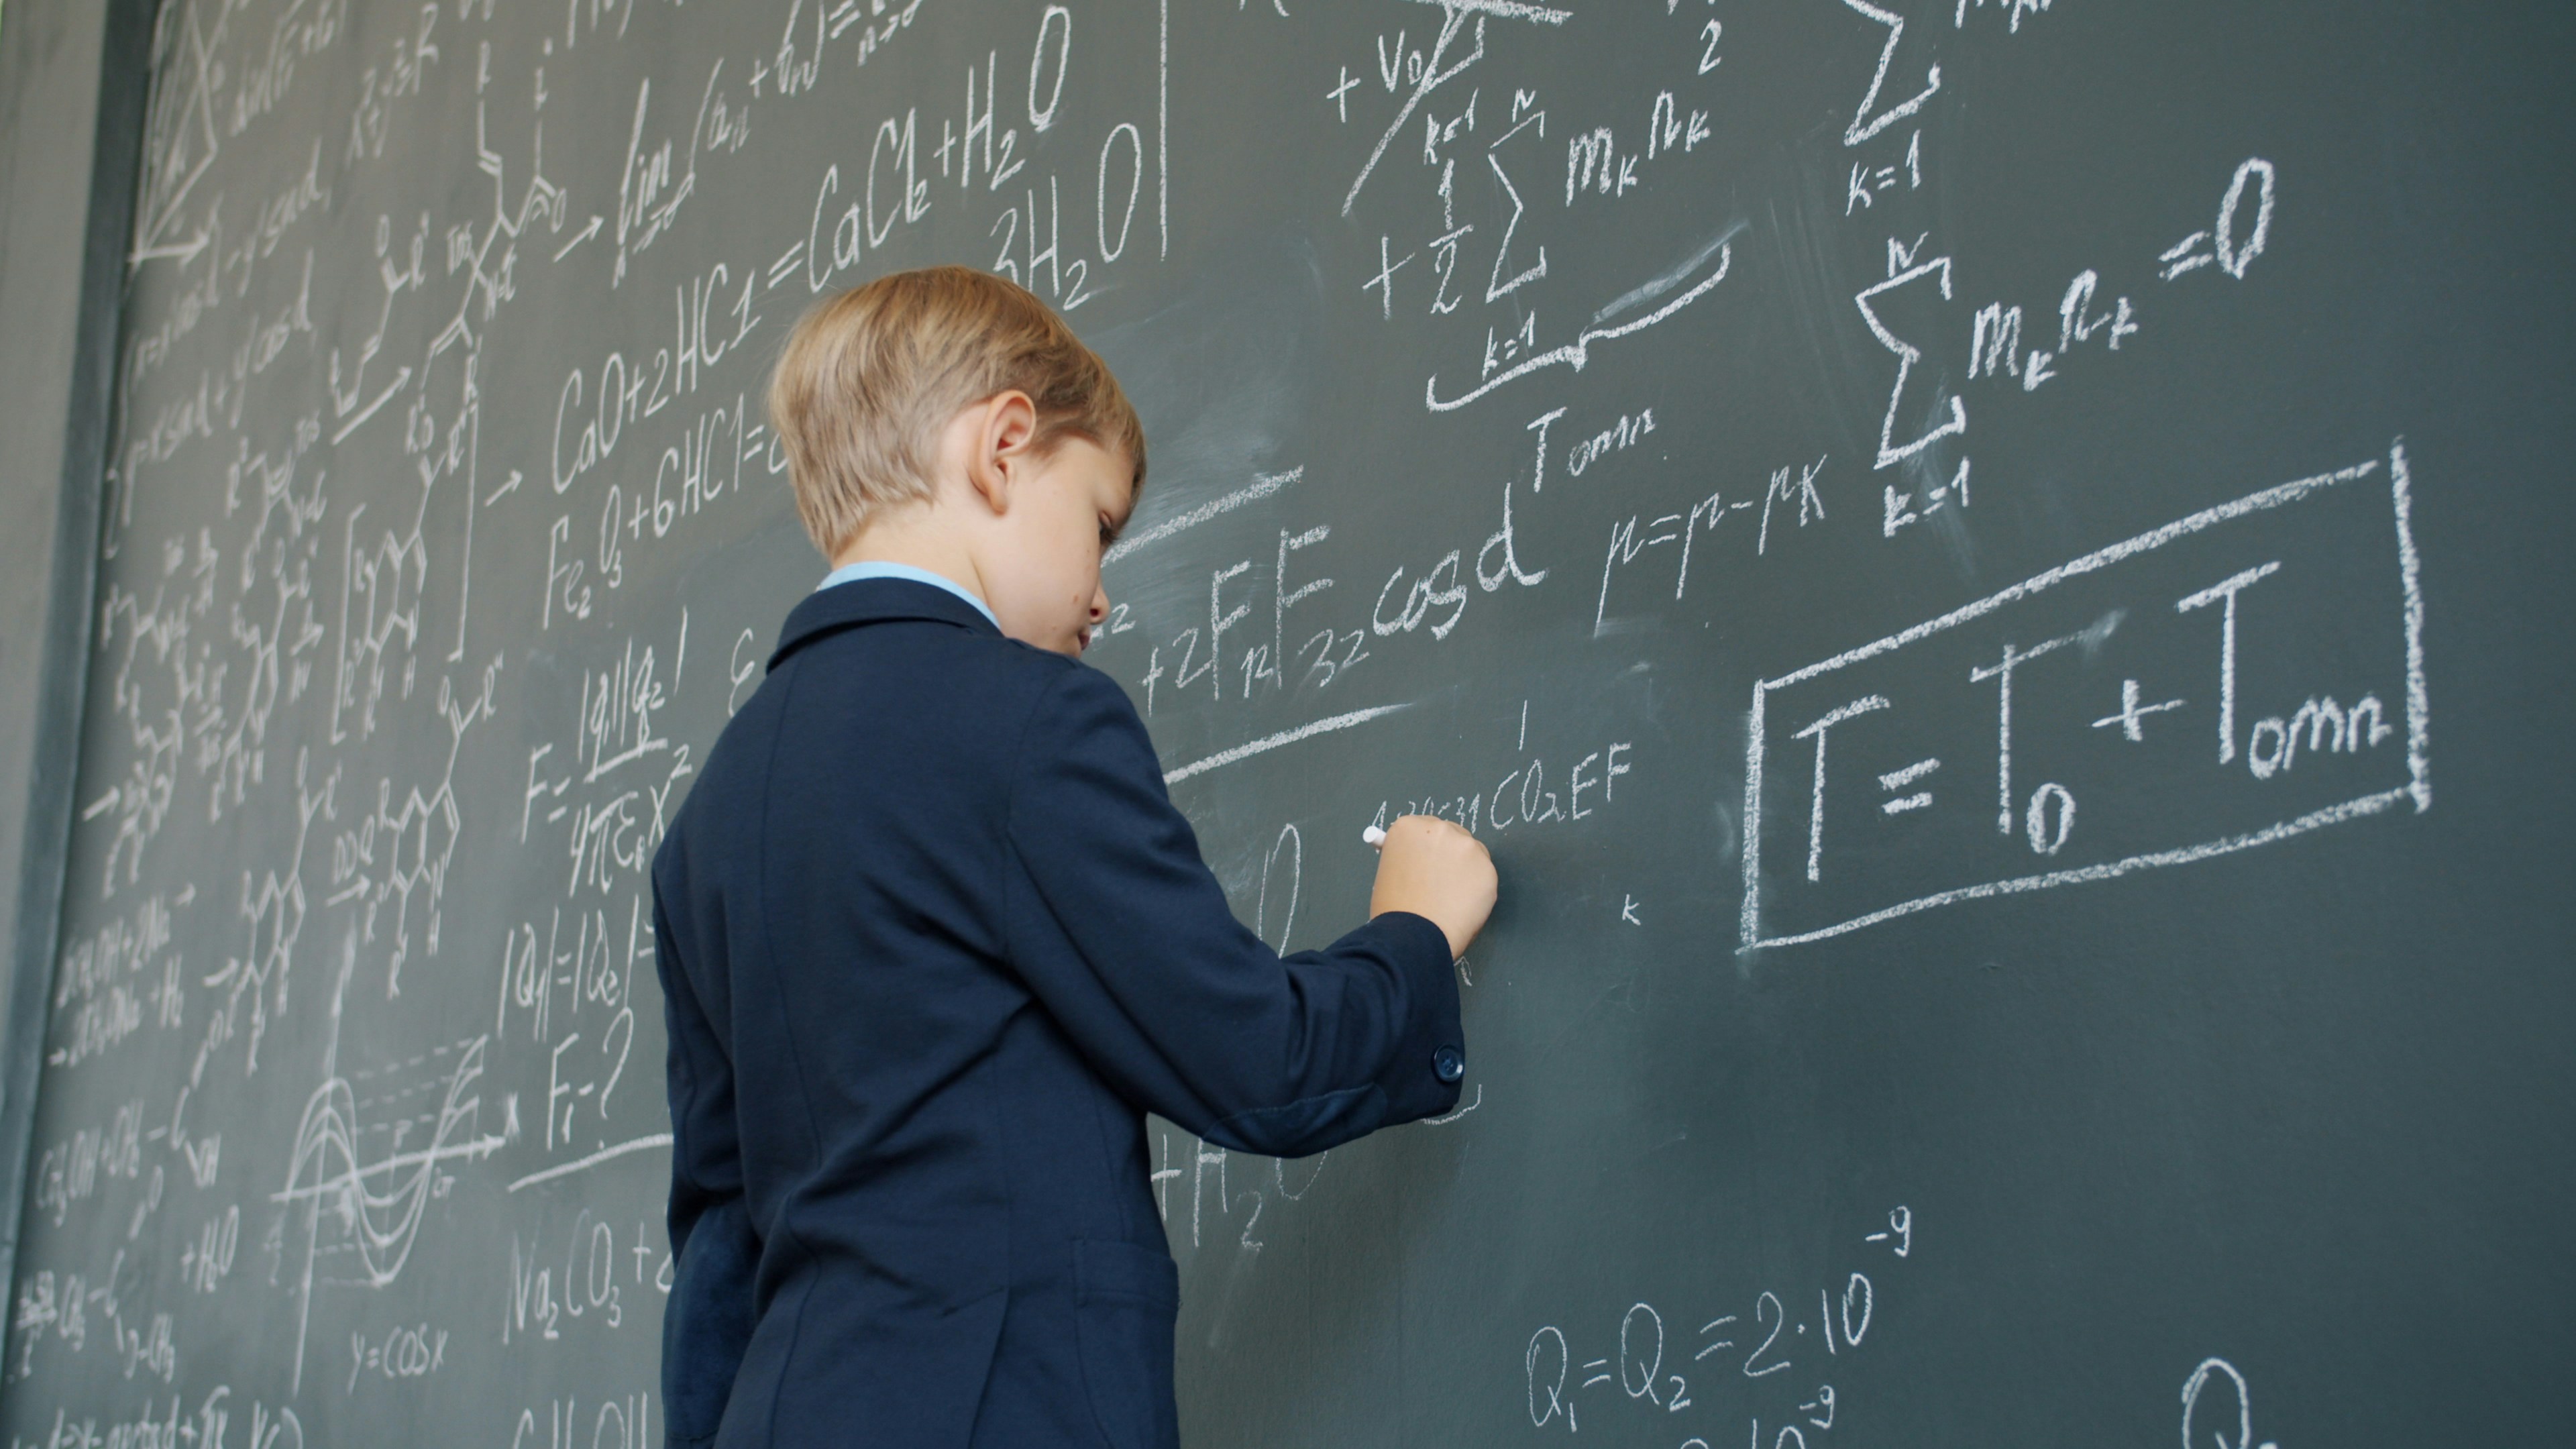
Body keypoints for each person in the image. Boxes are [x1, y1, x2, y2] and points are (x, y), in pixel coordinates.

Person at [651, 264, 1497, 1448]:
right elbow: (1259, 1062)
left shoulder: (712, 814)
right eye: (1099, 524)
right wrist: (1412, 931)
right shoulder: (1028, 717)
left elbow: (719, 1252)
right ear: (1004, 446)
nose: (1102, 598)